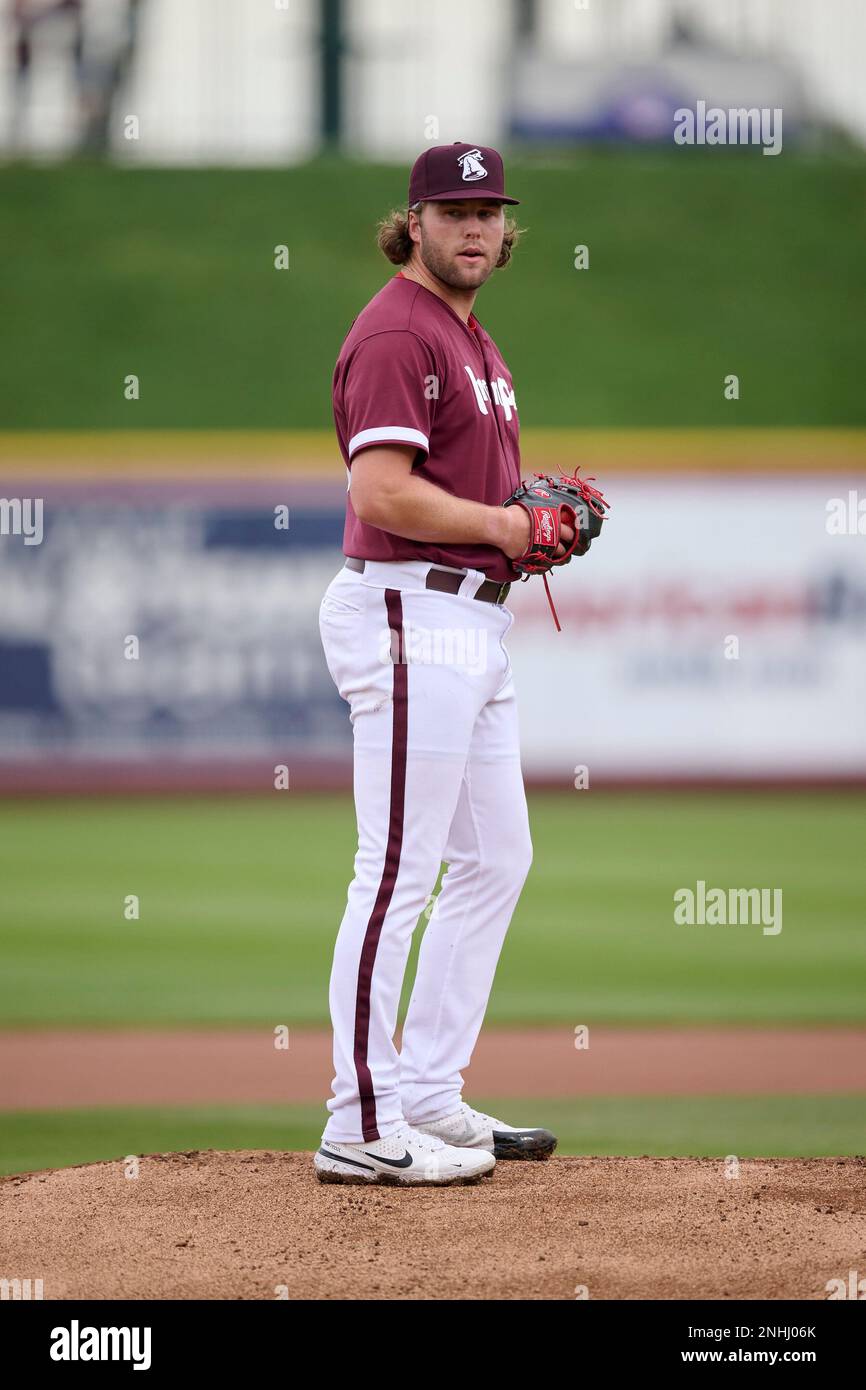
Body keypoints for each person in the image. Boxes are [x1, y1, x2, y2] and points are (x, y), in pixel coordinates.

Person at [315, 143, 569, 1186]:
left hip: (470, 623)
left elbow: (473, 493)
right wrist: (510, 524)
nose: (474, 227)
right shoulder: (396, 331)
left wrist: (530, 517)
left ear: (506, 230)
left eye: (489, 210)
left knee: (494, 860)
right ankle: (359, 1118)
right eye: (452, 209)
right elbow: (381, 494)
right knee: (394, 874)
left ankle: (424, 1089)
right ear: (411, 220)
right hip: (409, 613)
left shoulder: (472, 337)